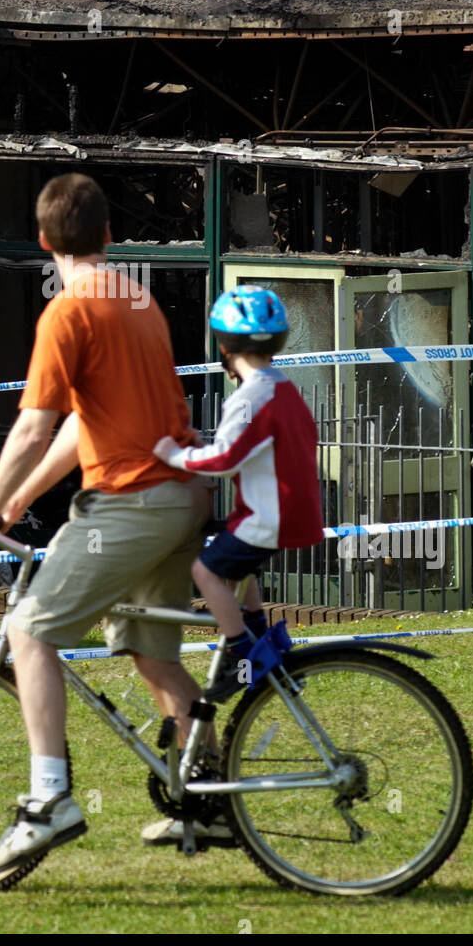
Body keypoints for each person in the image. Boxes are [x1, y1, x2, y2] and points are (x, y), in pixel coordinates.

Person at [0, 172, 211, 872]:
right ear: (108, 235)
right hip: (182, 496)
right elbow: (82, 425)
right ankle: (207, 793)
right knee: (152, 652)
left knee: (29, 632)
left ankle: (49, 801)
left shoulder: (67, 313)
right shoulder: (136, 298)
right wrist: (13, 501)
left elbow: (36, 426)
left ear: (42, 241)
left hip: (132, 503)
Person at [153, 285, 325, 704]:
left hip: (266, 517)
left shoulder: (250, 397)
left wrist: (175, 455)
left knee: (206, 572)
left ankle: (240, 651)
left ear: (224, 346)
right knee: (233, 568)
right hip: (289, 513)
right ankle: (258, 636)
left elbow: (226, 458)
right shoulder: (285, 389)